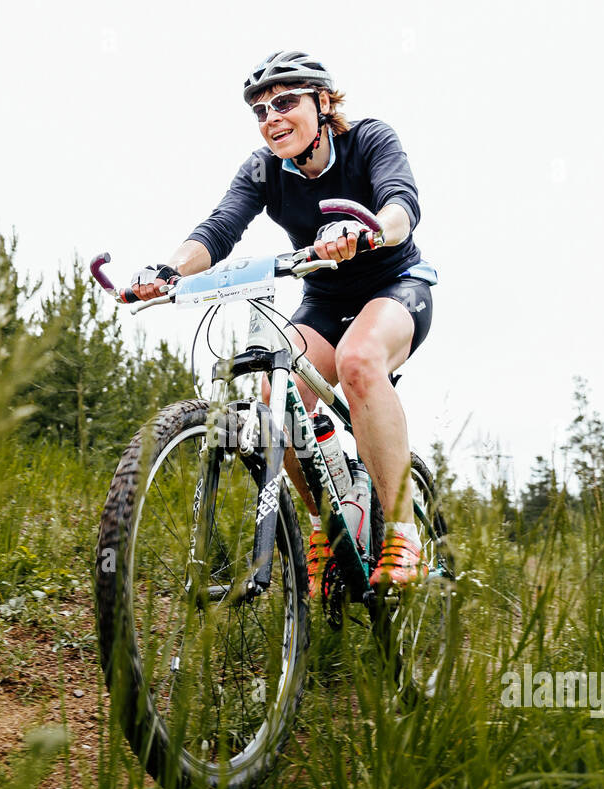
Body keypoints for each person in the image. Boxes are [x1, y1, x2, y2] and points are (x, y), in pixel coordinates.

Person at [129, 50, 438, 595]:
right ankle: (325, 526)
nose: (272, 118)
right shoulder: (263, 169)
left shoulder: (368, 139)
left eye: (286, 102)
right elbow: (220, 228)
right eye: (261, 110)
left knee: (359, 361)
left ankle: (404, 533)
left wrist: (368, 229)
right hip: (323, 297)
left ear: (322, 104)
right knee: (279, 392)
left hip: (394, 286)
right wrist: (167, 270)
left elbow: (401, 204)